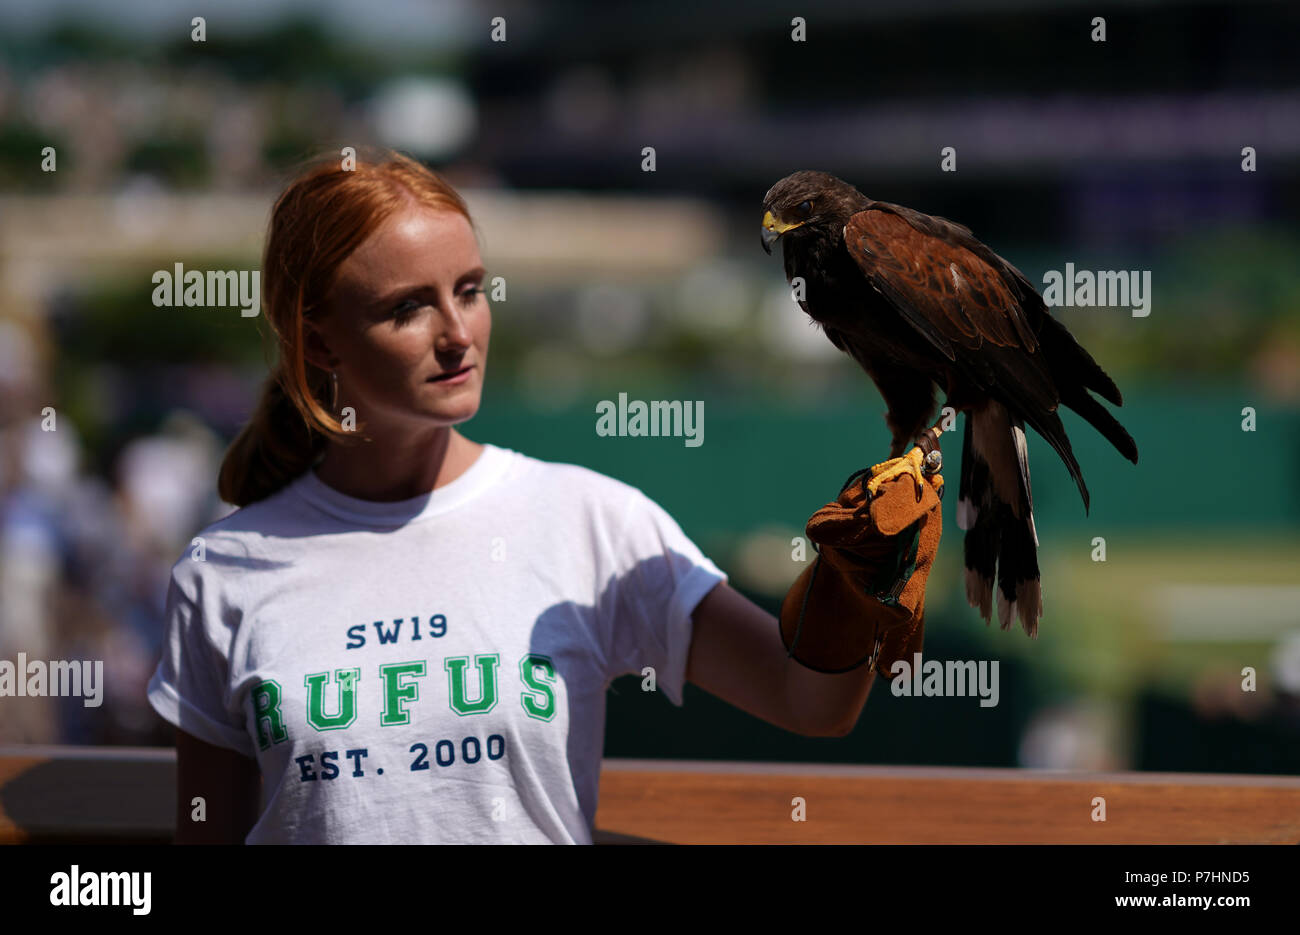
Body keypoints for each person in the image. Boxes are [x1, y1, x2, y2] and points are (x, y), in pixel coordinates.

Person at [146, 149, 887, 844]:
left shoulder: (594, 521)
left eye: (469, 291)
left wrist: (866, 579)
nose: (457, 334)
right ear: (319, 344)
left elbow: (808, 701)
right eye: (408, 307)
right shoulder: (224, 571)